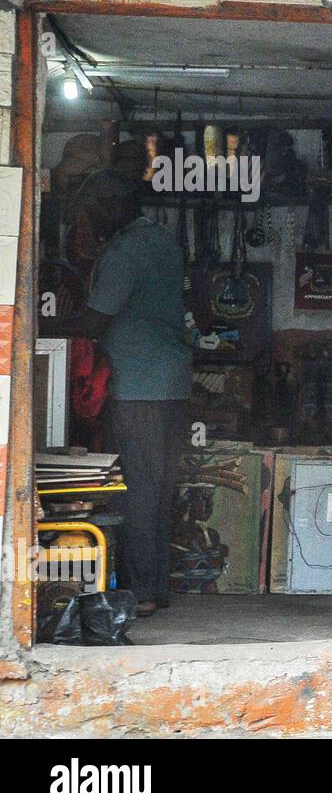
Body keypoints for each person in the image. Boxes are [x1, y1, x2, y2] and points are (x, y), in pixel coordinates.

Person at [59, 170, 192, 617]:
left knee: (136, 487)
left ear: (114, 206)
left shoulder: (125, 251)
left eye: (94, 212)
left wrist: (29, 325)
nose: (90, 223)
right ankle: (154, 585)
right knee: (157, 487)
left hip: (139, 385)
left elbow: (94, 323)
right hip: (168, 382)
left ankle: (144, 592)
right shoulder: (161, 240)